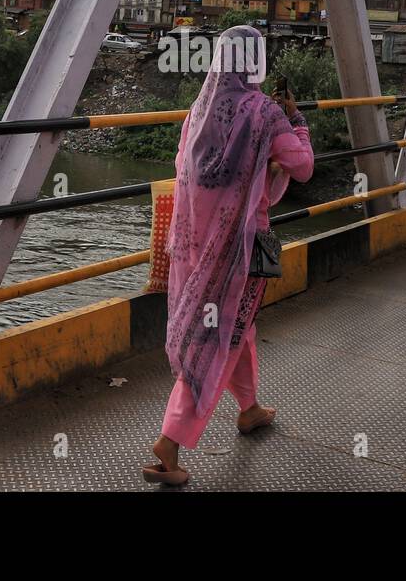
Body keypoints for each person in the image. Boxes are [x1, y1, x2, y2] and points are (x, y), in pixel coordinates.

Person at [143, 25, 313, 486]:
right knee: (215, 336)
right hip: (245, 245)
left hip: (195, 241)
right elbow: (302, 166)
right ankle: (171, 441)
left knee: (240, 324)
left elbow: (187, 171)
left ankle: (250, 407)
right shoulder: (266, 112)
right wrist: (298, 121)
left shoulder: (198, 112)